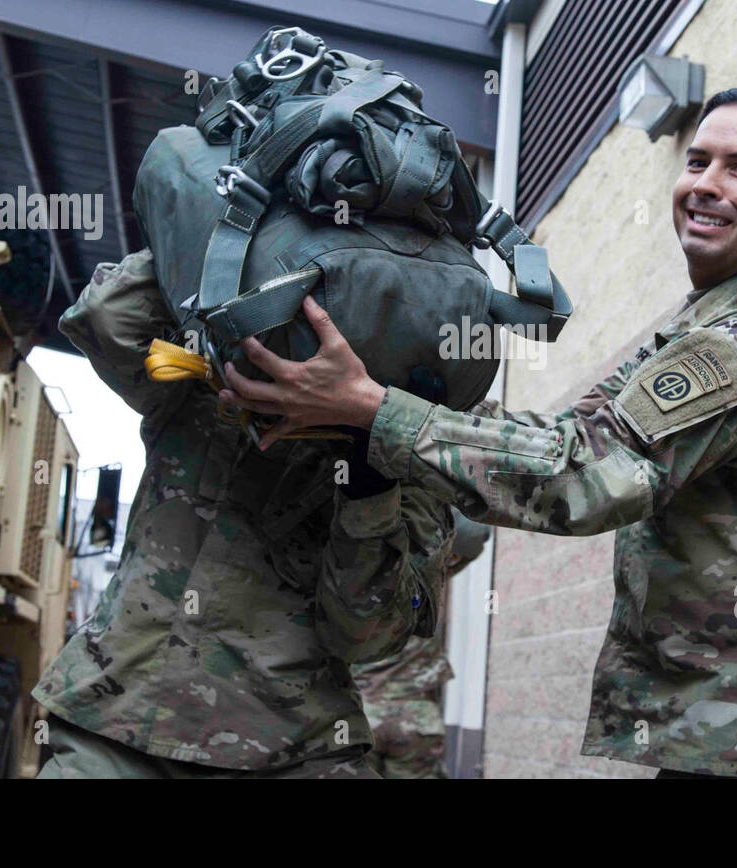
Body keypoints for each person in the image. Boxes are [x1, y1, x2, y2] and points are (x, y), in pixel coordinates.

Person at [219, 87, 737, 778]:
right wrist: (381, 397)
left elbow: (581, 476)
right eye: (697, 162)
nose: (705, 186)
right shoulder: (702, 330)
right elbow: (568, 434)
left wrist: (375, 410)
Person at [33, 248, 452, 778]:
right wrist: (238, 224)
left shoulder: (412, 452)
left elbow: (365, 635)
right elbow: (104, 320)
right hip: (122, 722)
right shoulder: (208, 385)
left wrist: (373, 475)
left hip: (294, 749)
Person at [354, 512, 489, 778]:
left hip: (360, 713)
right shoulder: (423, 578)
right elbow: (473, 534)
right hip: (415, 718)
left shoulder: (345, 589)